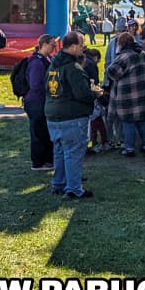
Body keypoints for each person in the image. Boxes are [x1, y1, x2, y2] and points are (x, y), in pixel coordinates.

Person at [44, 31, 99, 199]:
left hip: (53, 114)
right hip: (71, 115)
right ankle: (74, 188)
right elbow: (81, 93)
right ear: (74, 46)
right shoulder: (73, 67)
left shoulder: (53, 64)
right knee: (74, 152)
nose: (83, 49)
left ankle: (58, 183)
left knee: (60, 150)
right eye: (81, 46)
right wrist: (96, 94)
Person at [108, 33, 145, 156]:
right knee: (142, 120)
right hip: (143, 93)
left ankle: (129, 148)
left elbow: (112, 71)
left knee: (128, 122)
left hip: (127, 95)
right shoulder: (143, 55)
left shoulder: (124, 57)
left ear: (121, 44)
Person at [23, 35, 56, 170]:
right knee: (38, 132)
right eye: (53, 45)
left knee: (44, 132)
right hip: (36, 101)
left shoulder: (46, 59)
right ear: (45, 44)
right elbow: (35, 84)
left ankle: (47, 160)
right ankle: (38, 162)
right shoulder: (37, 62)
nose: (54, 47)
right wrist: (50, 90)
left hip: (41, 100)